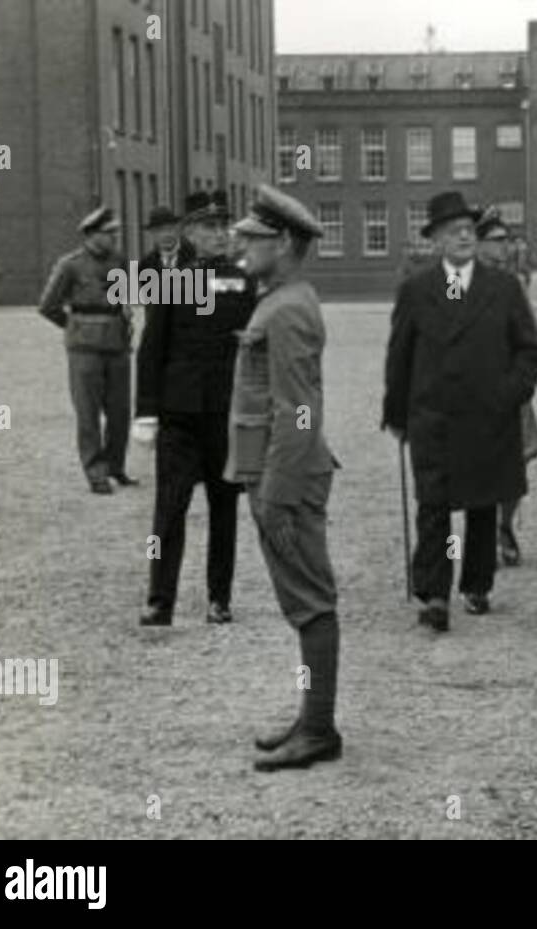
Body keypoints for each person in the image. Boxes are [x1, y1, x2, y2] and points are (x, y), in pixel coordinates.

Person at [383, 191, 537, 631]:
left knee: (481, 503)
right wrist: (396, 414)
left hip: (487, 417)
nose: (462, 236)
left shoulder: (504, 288)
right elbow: (399, 356)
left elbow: (530, 351)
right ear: (435, 240)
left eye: (467, 229)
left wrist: (508, 394)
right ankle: (434, 594)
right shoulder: (417, 291)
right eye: (452, 230)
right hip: (433, 417)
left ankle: (477, 584)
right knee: (432, 505)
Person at [226, 184, 341, 772]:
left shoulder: (289, 308)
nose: (240, 242)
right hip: (274, 471)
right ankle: (310, 718)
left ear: (287, 243)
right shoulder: (281, 297)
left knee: (310, 600)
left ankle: (318, 729)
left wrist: (276, 492)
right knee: (301, 600)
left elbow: (298, 412)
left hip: (286, 477)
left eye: (255, 237)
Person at [135, 192, 257, 627]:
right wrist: (146, 412)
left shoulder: (245, 284)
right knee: (169, 508)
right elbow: (151, 351)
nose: (219, 234)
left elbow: (256, 348)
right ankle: (159, 597)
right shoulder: (172, 281)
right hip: (179, 413)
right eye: (209, 227)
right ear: (189, 233)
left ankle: (219, 598)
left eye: (224, 226)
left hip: (225, 413)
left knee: (225, 509)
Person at [38, 206, 136, 494]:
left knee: (120, 412)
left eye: (115, 232)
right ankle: (96, 473)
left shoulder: (120, 261)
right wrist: (75, 326)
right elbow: (47, 306)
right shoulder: (70, 265)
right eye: (109, 233)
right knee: (88, 413)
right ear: (92, 235)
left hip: (117, 346)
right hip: (85, 350)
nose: (115, 237)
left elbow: (126, 296)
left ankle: (116, 466)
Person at [477, 209, 537, 568]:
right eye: (497, 240)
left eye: (506, 240)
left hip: (511, 387)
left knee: (517, 465)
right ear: (479, 243)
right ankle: (485, 533)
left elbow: (531, 334)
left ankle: (505, 526)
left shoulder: (513, 284)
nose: (505, 245)